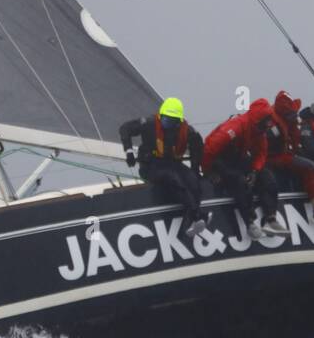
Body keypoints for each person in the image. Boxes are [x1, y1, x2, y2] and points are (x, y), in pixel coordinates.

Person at [120, 97, 209, 237]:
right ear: (160, 115)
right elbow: (125, 129)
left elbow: (197, 147)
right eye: (165, 119)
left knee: (193, 181)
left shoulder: (187, 131)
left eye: (172, 121)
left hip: (173, 164)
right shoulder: (148, 123)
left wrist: (195, 168)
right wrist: (129, 151)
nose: (167, 123)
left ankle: (190, 220)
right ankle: (198, 215)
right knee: (173, 179)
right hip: (151, 166)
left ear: (179, 121)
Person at [202, 98, 290, 239]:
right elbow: (210, 149)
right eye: (266, 122)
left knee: (267, 178)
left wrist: (255, 171)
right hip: (220, 160)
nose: (268, 126)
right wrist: (208, 171)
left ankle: (271, 219)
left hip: (238, 158)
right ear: (259, 120)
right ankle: (249, 222)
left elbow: (261, 153)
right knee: (239, 181)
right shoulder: (236, 126)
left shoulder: (259, 131)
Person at [268, 91, 314, 220]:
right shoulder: (271, 123)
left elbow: (295, 143)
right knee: (310, 168)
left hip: (289, 155)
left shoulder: (292, 122)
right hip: (275, 157)